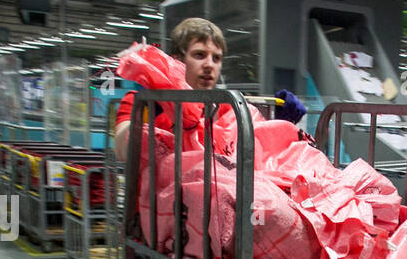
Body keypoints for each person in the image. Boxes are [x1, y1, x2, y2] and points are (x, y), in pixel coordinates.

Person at [112, 17, 306, 162]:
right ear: (177, 59)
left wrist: (279, 124)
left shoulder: (223, 106)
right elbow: (121, 151)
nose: (209, 65)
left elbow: (254, 152)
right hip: (156, 212)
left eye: (216, 58)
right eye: (199, 55)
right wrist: (153, 112)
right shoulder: (140, 101)